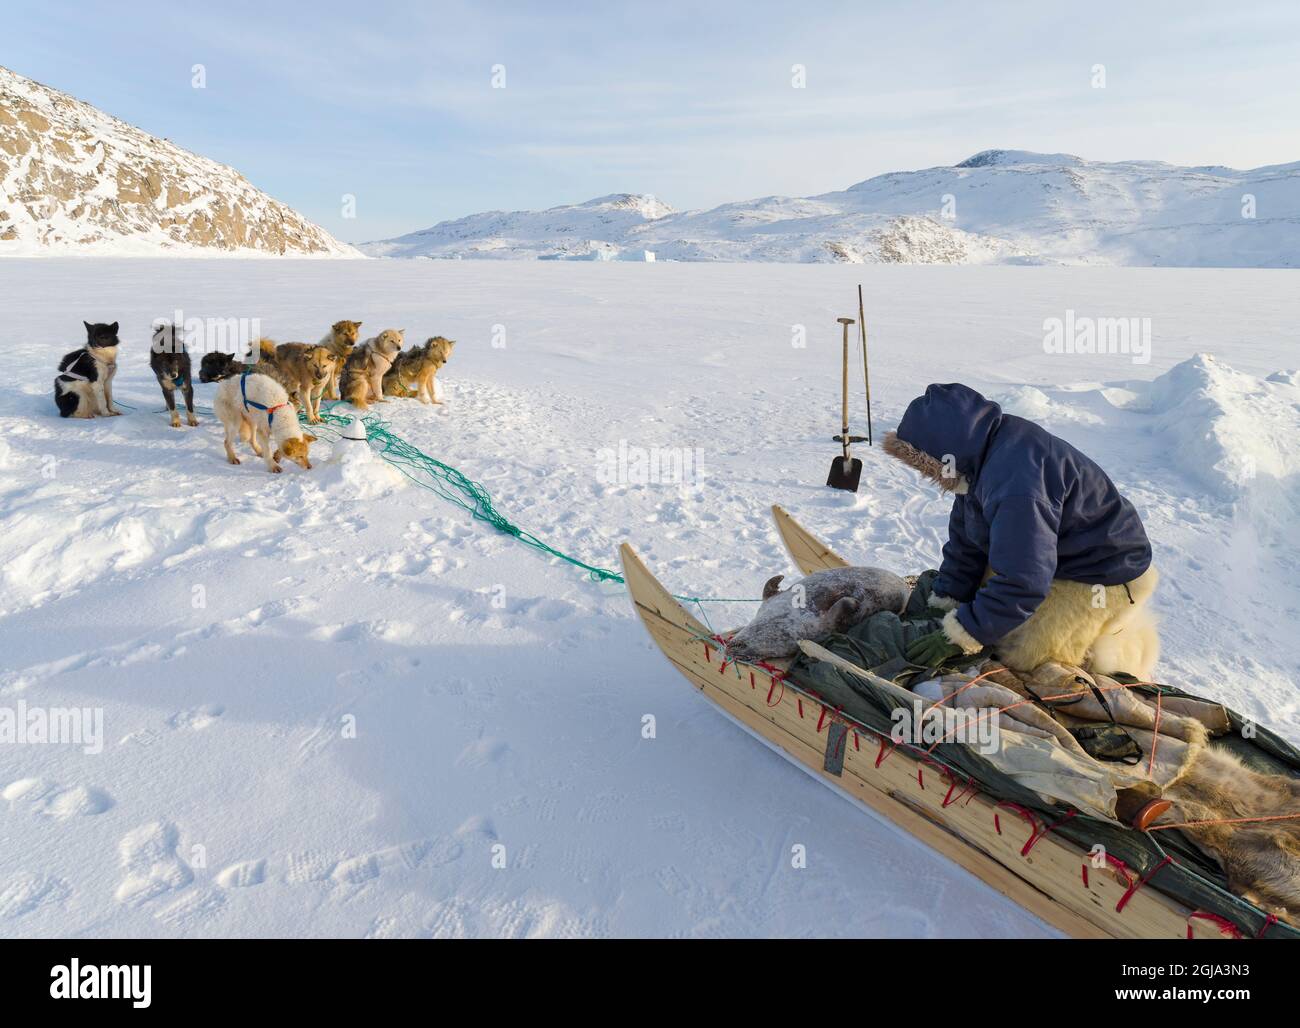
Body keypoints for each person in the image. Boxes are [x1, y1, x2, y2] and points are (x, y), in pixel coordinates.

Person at [884, 383, 1159, 678]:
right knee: (988, 609)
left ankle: (1108, 644)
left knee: (1026, 657)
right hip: (1053, 556)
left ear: (945, 448)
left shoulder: (1017, 485)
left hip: (1102, 574)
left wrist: (958, 636)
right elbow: (967, 544)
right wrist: (947, 600)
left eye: (925, 464)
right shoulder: (982, 457)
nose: (926, 473)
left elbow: (1024, 581)